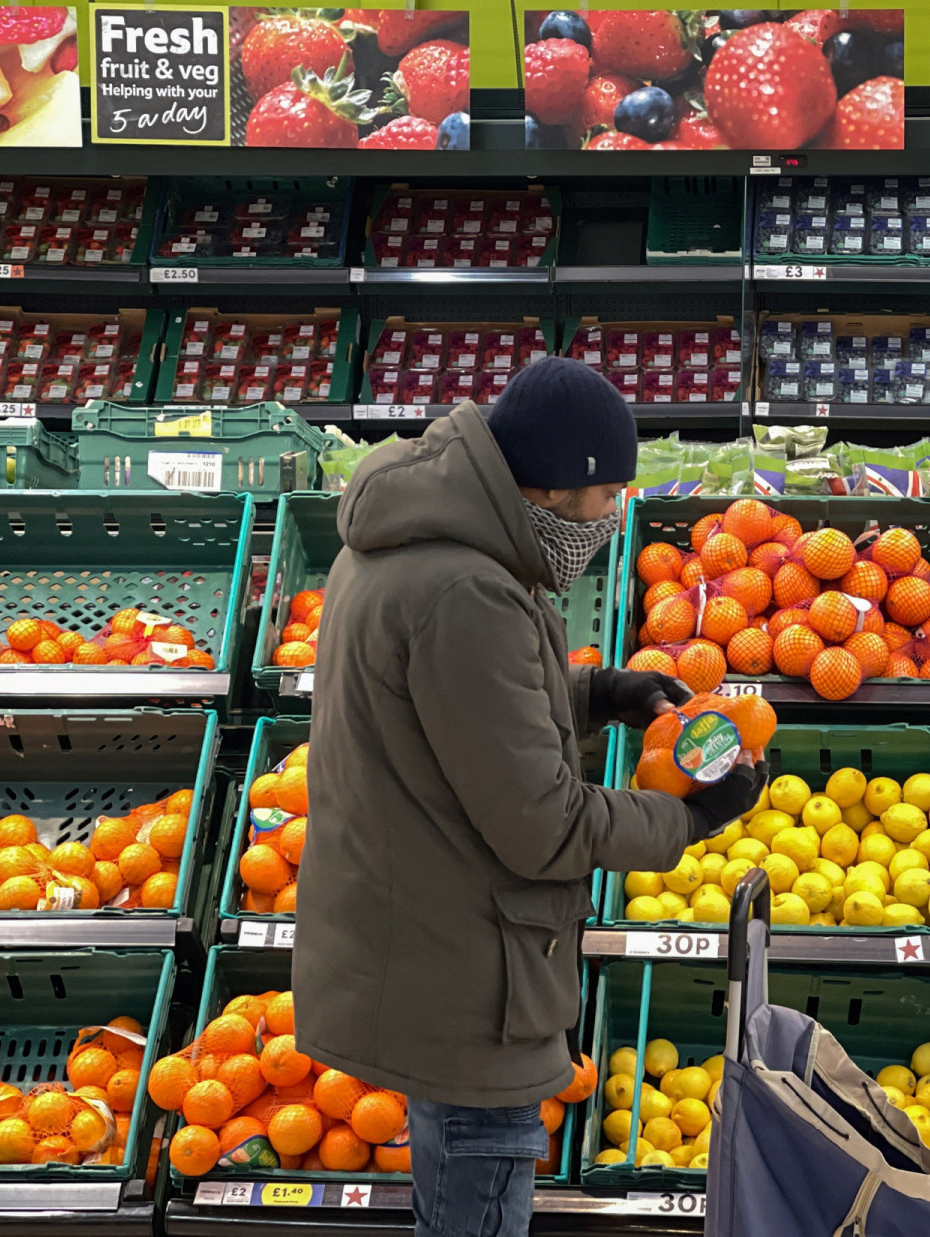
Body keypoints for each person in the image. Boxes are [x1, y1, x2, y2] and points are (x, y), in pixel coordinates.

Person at [295, 357, 767, 1237]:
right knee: (475, 1194)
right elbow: (542, 825)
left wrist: (599, 695)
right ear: (552, 490)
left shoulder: (414, 544)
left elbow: (450, 714)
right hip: (466, 974)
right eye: (606, 497)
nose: (611, 518)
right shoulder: (467, 590)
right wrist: (693, 817)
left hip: (421, 935)